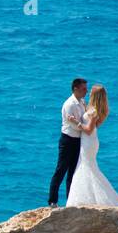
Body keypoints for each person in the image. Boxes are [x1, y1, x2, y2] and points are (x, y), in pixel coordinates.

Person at [65, 85, 118, 208]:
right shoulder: (94, 109)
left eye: (91, 92)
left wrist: (75, 121)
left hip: (88, 141)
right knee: (89, 168)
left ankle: (87, 198)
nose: (88, 93)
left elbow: (89, 130)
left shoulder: (93, 111)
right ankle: (89, 196)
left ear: (95, 96)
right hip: (90, 141)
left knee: (86, 167)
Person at [48, 78, 88, 206]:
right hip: (68, 140)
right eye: (83, 89)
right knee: (61, 170)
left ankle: (70, 201)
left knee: (73, 172)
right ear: (75, 89)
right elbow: (75, 126)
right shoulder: (69, 104)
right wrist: (84, 125)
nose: (86, 91)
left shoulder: (82, 101)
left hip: (77, 140)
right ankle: (52, 200)